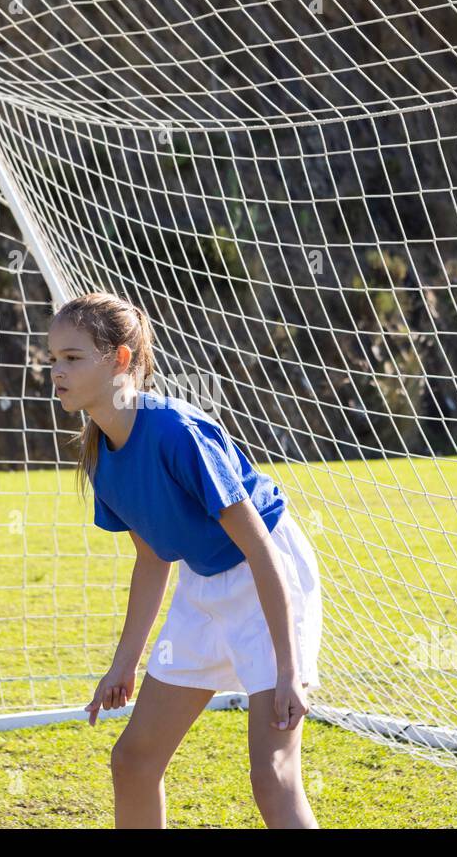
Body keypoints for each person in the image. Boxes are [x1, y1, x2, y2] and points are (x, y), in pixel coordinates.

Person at [46, 291, 322, 828]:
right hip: (204, 585)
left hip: (268, 577)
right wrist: (123, 662)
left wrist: (289, 670)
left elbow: (260, 549)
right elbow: (151, 560)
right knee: (133, 761)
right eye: (53, 359)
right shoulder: (101, 453)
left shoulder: (176, 431)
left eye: (73, 358)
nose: (57, 371)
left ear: (120, 359)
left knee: (273, 775)